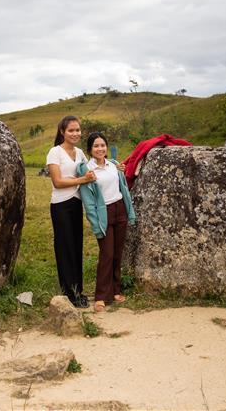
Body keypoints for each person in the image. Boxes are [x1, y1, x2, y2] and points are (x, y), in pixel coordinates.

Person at [76, 131, 136, 312]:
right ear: (90, 149)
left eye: (103, 145)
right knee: (107, 254)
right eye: (96, 146)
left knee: (117, 253)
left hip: (120, 210)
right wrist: (95, 224)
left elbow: (123, 188)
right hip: (104, 214)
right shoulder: (87, 170)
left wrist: (129, 211)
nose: (100, 148)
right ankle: (101, 296)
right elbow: (88, 200)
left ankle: (116, 291)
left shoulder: (114, 165)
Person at [46, 115, 96, 308]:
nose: (75, 134)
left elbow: (91, 169)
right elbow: (57, 182)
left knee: (76, 247)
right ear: (62, 132)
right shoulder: (55, 152)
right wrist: (81, 181)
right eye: (71, 130)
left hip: (76, 203)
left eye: (77, 130)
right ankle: (68, 294)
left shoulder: (80, 152)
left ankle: (78, 291)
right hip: (60, 205)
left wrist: (114, 166)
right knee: (65, 248)